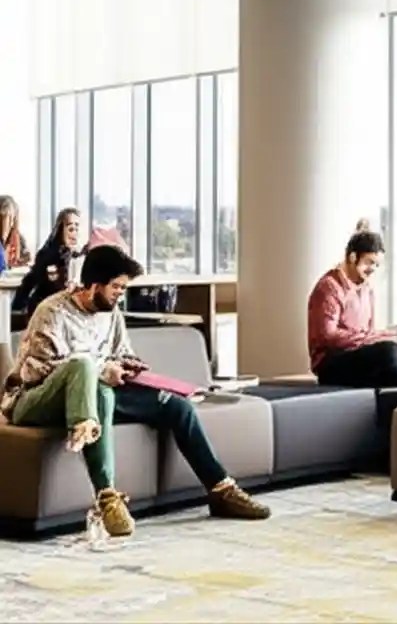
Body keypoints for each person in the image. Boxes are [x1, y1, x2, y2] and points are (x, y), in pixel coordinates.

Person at [0, 246, 271, 537]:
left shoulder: (111, 313)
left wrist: (128, 367)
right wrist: (103, 371)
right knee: (86, 370)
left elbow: (122, 352)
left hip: (96, 395)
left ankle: (221, 490)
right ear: (94, 285)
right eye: (116, 286)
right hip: (36, 399)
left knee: (177, 407)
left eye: (124, 287)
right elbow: (43, 370)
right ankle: (106, 495)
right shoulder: (52, 311)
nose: (120, 293)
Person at [307, 222, 397, 388]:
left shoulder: (367, 289)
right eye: (369, 262)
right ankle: (392, 374)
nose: (373, 269)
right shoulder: (329, 287)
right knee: (388, 351)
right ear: (353, 257)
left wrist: (383, 335)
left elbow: (368, 330)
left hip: (356, 354)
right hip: (331, 362)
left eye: (376, 265)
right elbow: (329, 336)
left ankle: (391, 375)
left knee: (392, 347)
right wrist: (371, 338)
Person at [14, 207, 84, 313]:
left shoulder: (81, 257)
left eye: (77, 228)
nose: (74, 232)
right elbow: (32, 280)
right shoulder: (48, 254)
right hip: (47, 308)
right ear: (61, 230)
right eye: (70, 228)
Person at [0, 195, 31, 269]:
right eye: (3, 217)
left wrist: (24, 259)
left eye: (10, 218)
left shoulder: (18, 239)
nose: (6, 223)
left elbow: (25, 256)